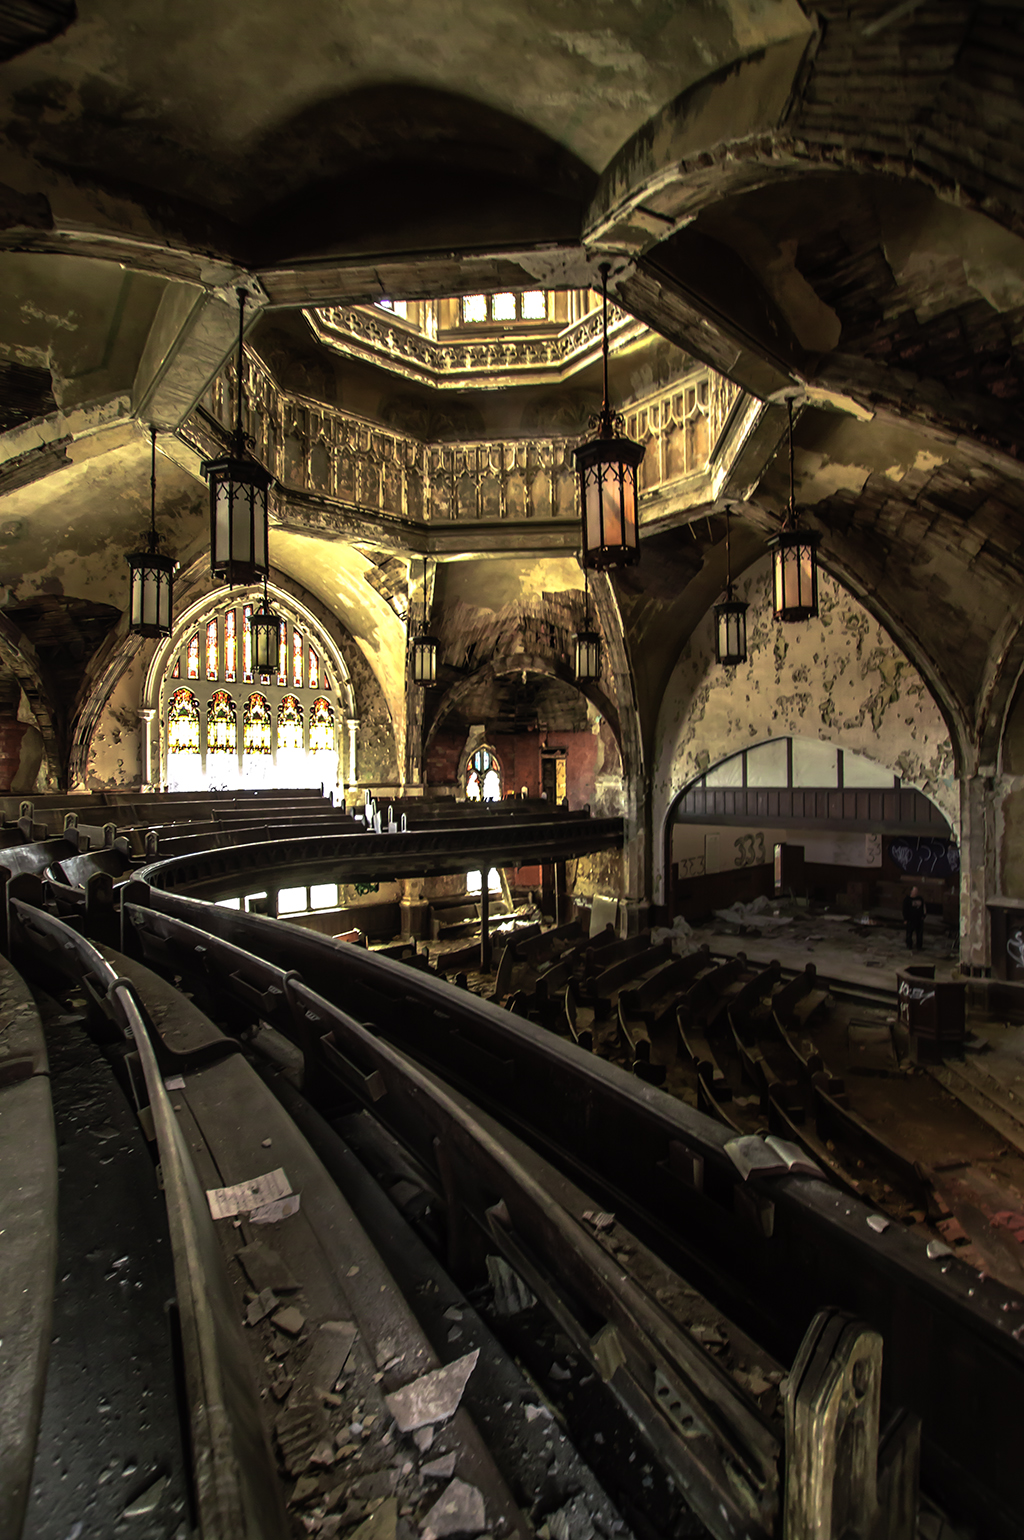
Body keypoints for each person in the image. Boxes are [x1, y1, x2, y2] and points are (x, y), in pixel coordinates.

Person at [903, 885, 926, 950]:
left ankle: (919, 946)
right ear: (911, 891)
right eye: (914, 891)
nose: (915, 892)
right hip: (911, 919)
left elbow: (924, 908)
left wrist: (923, 916)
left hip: (919, 919)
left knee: (919, 934)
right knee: (909, 933)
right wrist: (905, 919)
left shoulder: (920, 899)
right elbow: (905, 909)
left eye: (916, 891)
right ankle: (909, 945)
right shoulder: (907, 900)